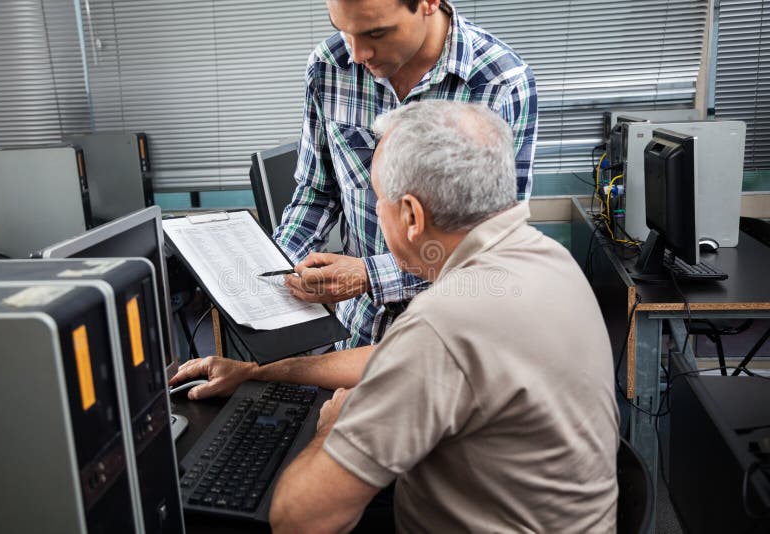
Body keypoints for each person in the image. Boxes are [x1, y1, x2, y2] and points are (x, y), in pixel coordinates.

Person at [264, 101, 618, 532]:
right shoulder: (548, 260)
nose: (375, 211)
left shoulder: (443, 323)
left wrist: (331, 429)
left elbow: (297, 520)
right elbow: (391, 358)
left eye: (378, 201)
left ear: (412, 216)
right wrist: (257, 372)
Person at [274, 0, 538, 349]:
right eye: (343, 29)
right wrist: (278, 271)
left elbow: (493, 244)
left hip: (455, 341)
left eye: (375, 33)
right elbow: (316, 191)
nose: (356, 53)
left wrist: (371, 275)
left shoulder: (501, 84)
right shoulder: (328, 66)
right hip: (358, 335)